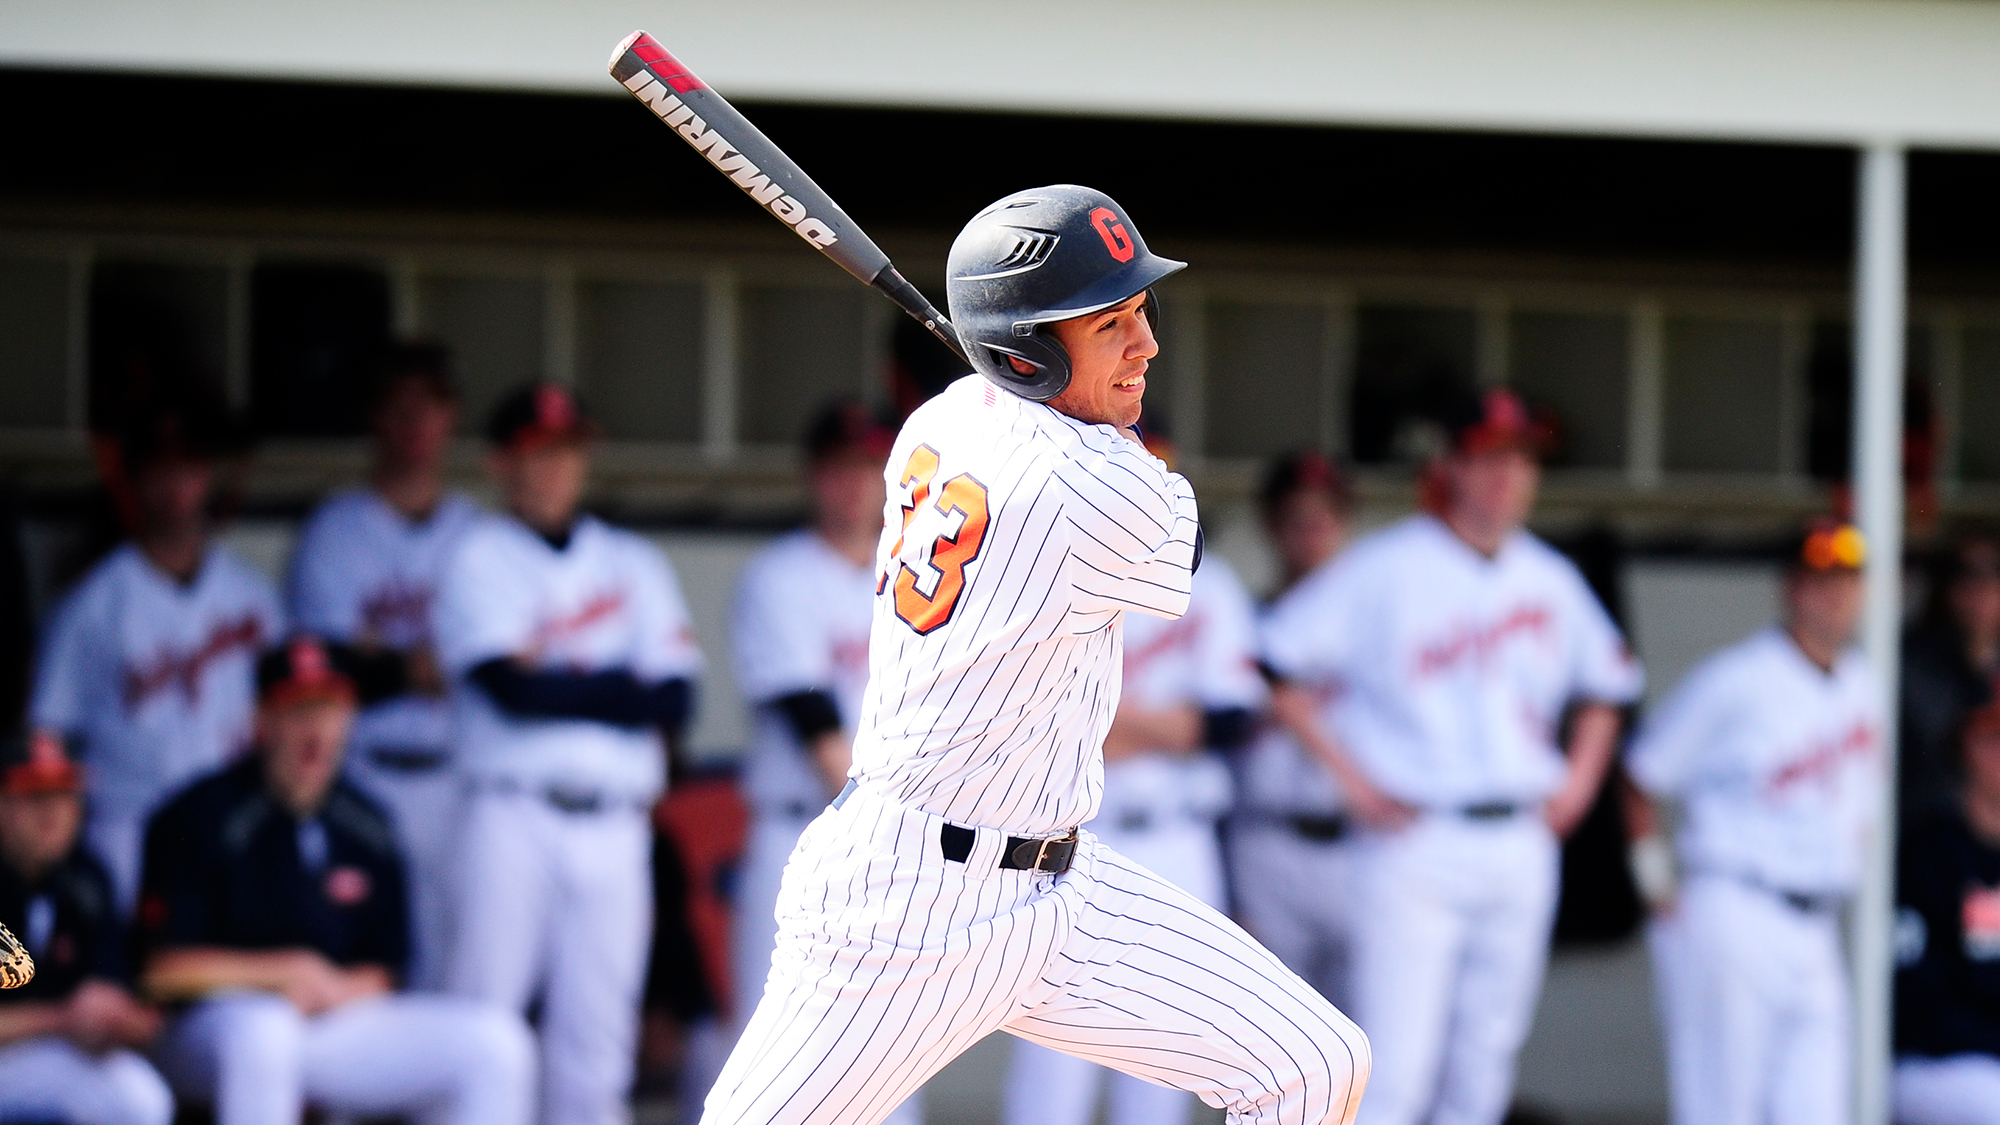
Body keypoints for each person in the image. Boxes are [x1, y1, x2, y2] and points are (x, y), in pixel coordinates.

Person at [701, 185, 1369, 1125]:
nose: (1147, 346)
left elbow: (1023, 418)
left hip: (1059, 885)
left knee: (1315, 1061)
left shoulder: (942, 417)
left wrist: (1038, 380)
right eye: (1111, 325)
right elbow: (1181, 538)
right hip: (911, 903)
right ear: (1026, 352)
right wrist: (1056, 400)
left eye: (1141, 310)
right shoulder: (1089, 490)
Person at [1262, 387, 1641, 1125]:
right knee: (1395, 1068)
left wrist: (1580, 785)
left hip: (1520, 837)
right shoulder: (1389, 564)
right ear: (1452, 468)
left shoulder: (1550, 576)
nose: (1509, 474)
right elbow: (1276, 662)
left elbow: (1610, 685)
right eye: (1490, 456)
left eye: (1523, 457)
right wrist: (1355, 783)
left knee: (1484, 1065)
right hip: (1417, 839)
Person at [435, 382, 703, 1125]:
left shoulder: (632, 562)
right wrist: (620, 681)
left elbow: (676, 699)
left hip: (617, 825)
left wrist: (563, 678)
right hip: (510, 815)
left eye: (567, 451)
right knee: (482, 1025)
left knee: (597, 1040)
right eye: (536, 452)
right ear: (500, 464)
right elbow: (510, 692)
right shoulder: (477, 558)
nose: (553, 468)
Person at [137, 637, 533, 1125]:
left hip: (329, 1021)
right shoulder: (197, 815)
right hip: (211, 1031)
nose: (316, 730)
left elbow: (387, 967)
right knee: (266, 1032)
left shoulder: (367, 822)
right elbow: (161, 970)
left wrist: (339, 990)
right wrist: (281, 973)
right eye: (298, 710)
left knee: (495, 1044)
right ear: (262, 720)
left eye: (329, 710)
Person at [999, 420, 1267, 1125]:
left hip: (1176, 839)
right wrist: (1162, 724)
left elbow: (1231, 721)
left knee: (1162, 1061)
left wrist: (1111, 723)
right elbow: (1016, 718)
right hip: (1064, 847)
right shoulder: (1041, 570)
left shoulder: (1207, 582)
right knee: (1051, 1068)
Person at [1627, 520, 1880, 1125]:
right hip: (1737, 905)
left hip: (1817, 922)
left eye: (1847, 581)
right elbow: (1643, 773)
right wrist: (1656, 883)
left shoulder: (1863, 682)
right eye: (1822, 582)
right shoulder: (1737, 677)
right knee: (1722, 1108)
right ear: (1791, 589)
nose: (1836, 596)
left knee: (1817, 1109)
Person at [727, 403, 925, 1125]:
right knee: (776, 1057)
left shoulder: (918, 576)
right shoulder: (781, 576)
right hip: (806, 835)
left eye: (867, 465)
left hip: (897, 843)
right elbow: (817, 729)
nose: (853, 482)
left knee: (889, 1062)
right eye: (838, 464)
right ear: (813, 476)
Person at [32, 397, 284, 911]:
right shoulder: (92, 604)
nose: (175, 485)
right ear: (134, 479)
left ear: (209, 475)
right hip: (129, 826)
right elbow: (48, 735)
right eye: (158, 469)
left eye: (188, 467)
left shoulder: (253, 596)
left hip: (233, 824)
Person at [287, 344, 478, 990]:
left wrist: (387, 660)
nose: (415, 424)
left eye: (428, 408)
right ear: (375, 418)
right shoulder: (335, 530)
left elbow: (494, 665)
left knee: (458, 962)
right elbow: (327, 670)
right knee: (370, 955)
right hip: (363, 771)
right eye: (399, 409)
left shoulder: (477, 532)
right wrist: (416, 666)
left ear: (450, 417)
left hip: (459, 774)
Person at [1229, 452, 1360, 1011]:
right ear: (1270, 526)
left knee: (1366, 1038)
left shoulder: (1379, 624)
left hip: (1361, 844)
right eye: (1296, 518)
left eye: (1325, 516)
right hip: (1266, 839)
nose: (1311, 532)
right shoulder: (1239, 619)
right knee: (1262, 1029)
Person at [0, 730, 171, 1125]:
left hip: (41, 1059)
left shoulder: (88, 879)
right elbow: (65, 1015)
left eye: (63, 794)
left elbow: (108, 991)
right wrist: (61, 1018)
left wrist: (124, 1021)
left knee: (140, 1099)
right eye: (34, 796)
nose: (53, 814)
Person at [1894, 698, 2000, 1125]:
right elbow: (1914, 998)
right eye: (1993, 739)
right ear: (1966, 748)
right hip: (1937, 1064)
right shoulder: (1929, 852)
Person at [1902, 533, 2000, 818]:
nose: (1981, 587)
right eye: (1966, 574)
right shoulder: (1912, 664)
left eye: (1994, 572)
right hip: (1926, 837)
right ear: (1946, 587)